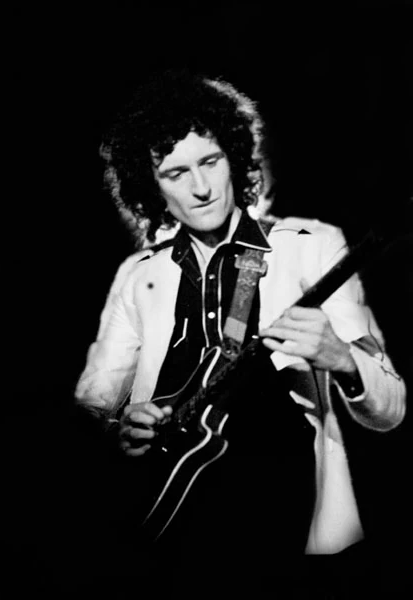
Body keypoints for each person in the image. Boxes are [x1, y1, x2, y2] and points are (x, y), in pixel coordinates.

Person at [75, 69, 406, 595]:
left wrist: (342, 358)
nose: (202, 188)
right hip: (169, 527)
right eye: (176, 173)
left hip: (277, 521)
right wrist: (120, 427)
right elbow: (90, 406)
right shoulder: (138, 276)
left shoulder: (309, 246)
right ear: (152, 187)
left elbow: (391, 406)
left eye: (210, 162)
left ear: (233, 158)